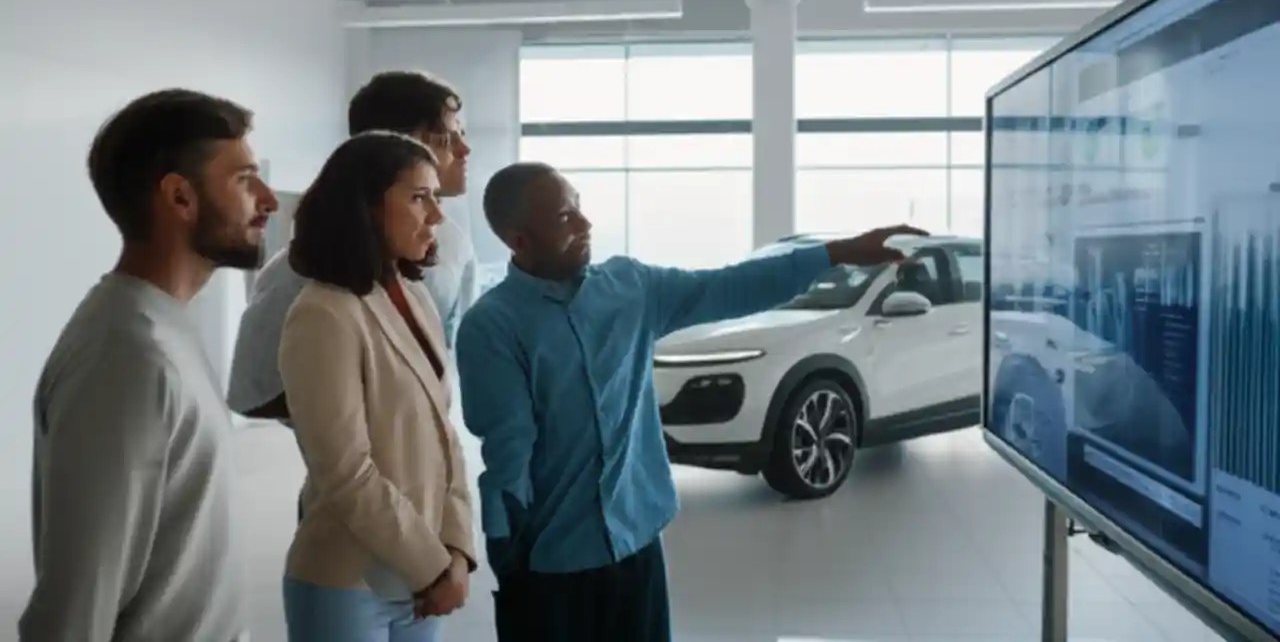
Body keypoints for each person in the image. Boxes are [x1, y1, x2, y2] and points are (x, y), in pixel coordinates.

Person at [457, 162, 926, 642]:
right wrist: (508, 560)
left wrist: (838, 253)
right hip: (552, 563)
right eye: (563, 217)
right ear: (519, 240)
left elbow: (730, 285)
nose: (584, 224)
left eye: (578, 208)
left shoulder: (631, 288)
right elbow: (508, 452)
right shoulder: (491, 327)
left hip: (637, 542)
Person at [20, 89, 278, 641]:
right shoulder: (128, 357)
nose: (269, 200)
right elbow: (76, 605)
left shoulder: (164, 327)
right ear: (180, 197)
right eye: (243, 179)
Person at [278, 131, 476, 642]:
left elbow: (444, 436)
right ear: (364, 207)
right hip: (348, 582)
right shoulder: (323, 313)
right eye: (418, 197)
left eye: (436, 196)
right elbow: (345, 471)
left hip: (419, 579)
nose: (436, 215)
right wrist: (432, 564)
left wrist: (456, 549)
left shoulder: (415, 297)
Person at [227, 71, 474, 422]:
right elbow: (257, 392)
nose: (464, 150)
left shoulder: (452, 244)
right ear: (395, 145)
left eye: (461, 135)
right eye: (446, 139)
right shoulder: (305, 271)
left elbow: (441, 357)